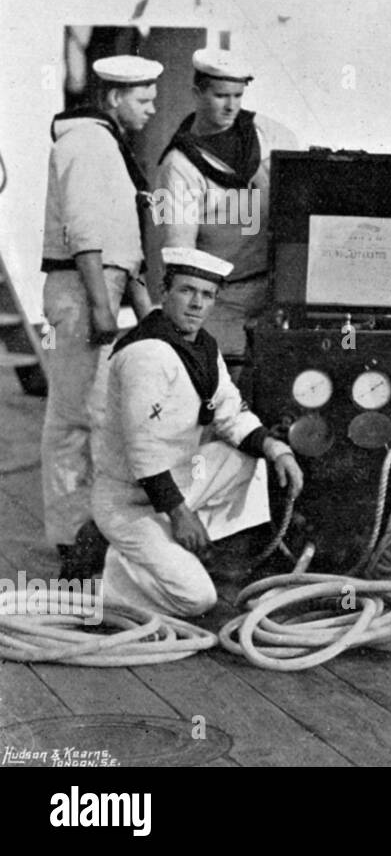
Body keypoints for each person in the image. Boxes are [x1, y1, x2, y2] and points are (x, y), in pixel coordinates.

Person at [93, 247, 303, 617]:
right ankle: (106, 573)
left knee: (247, 460)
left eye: (207, 295)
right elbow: (144, 450)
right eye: (187, 290)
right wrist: (179, 515)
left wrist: (275, 449)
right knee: (196, 599)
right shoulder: (148, 354)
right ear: (164, 291)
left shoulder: (202, 345)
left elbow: (229, 411)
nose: (197, 304)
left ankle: (176, 552)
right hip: (130, 501)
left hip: (172, 482)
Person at [41, 55, 160, 556]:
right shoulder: (88, 142)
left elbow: (118, 239)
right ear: (113, 98)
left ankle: (88, 529)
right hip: (83, 291)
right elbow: (86, 232)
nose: (152, 108)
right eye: (143, 98)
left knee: (93, 413)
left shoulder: (104, 141)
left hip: (98, 288)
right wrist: (102, 310)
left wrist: (140, 304)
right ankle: (73, 538)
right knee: (73, 419)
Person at [153, 48, 298, 371]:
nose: (231, 105)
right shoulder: (178, 165)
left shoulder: (267, 133)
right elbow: (179, 249)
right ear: (196, 93)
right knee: (222, 385)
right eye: (220, 95)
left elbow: (301, 186)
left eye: (238, 95)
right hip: (223, 298)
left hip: (276, 291)